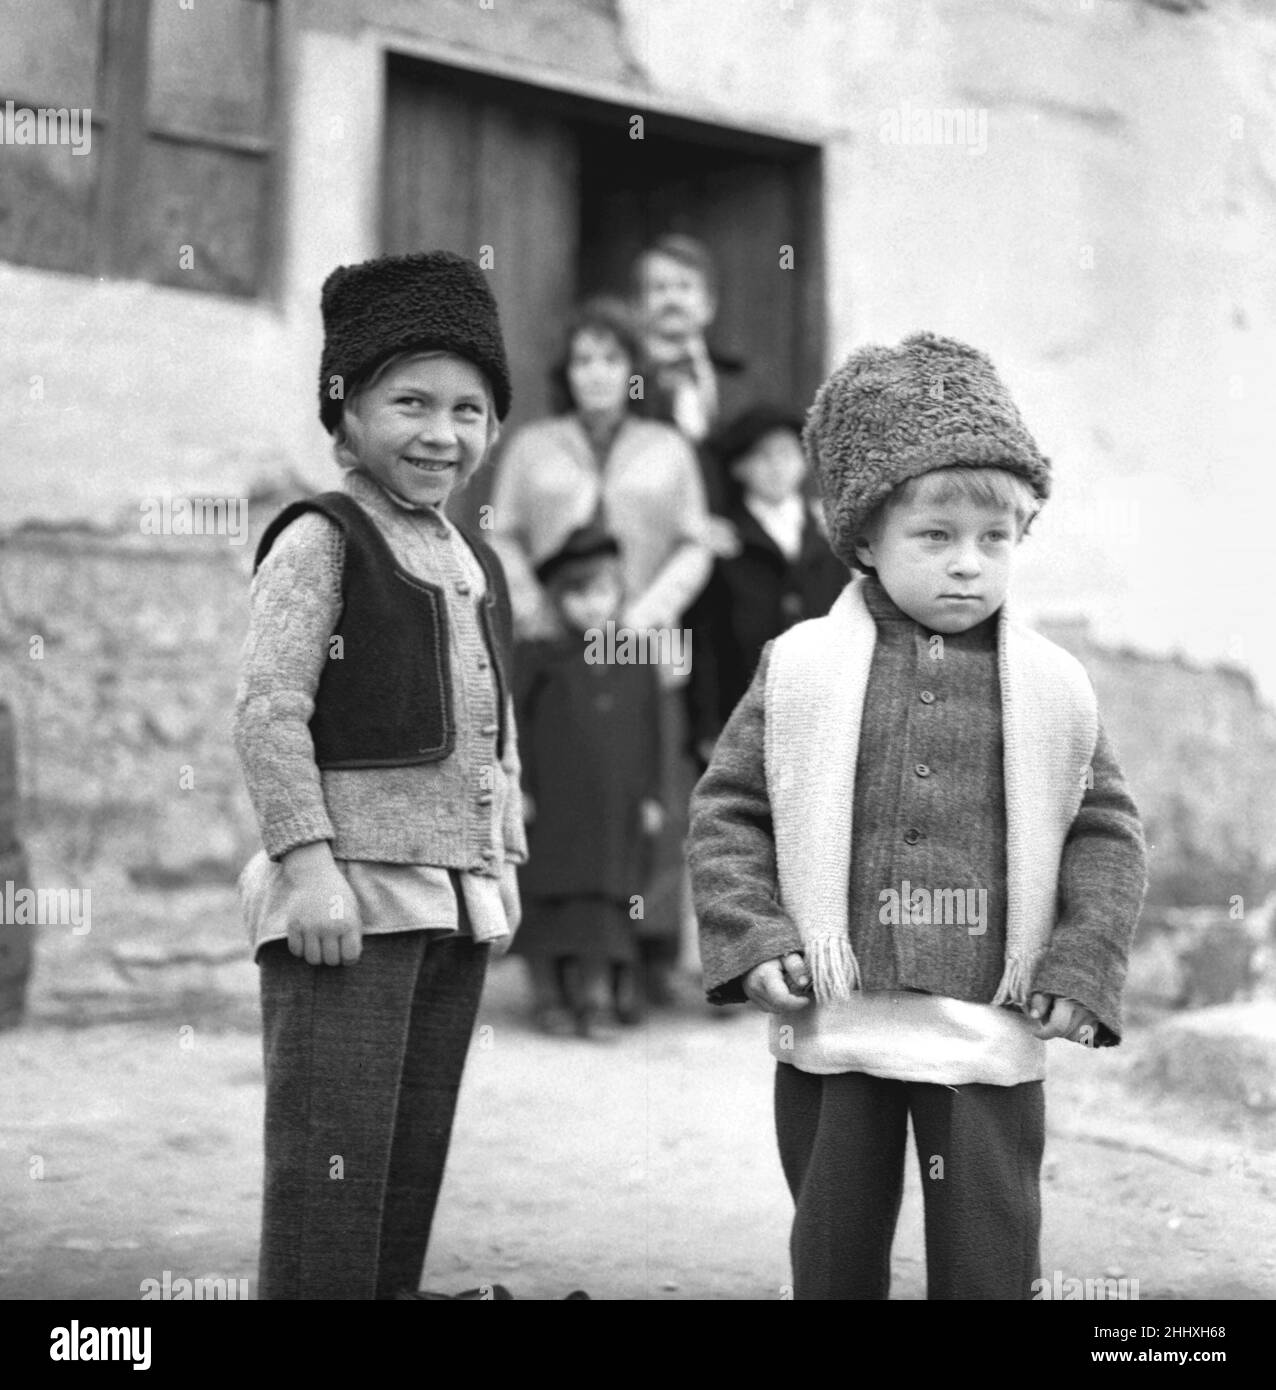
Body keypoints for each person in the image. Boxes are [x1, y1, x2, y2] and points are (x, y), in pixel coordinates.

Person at [688, 332, 1148, 1300]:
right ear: (861, 538)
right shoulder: (802, 668)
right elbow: (729, 808)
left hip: (987, 1019)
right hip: (837, 1015)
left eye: (995, 539)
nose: (967, 567)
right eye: (933, 537)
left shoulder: (1054, 690)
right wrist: (751, 930)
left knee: (988, 1256)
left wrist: (1080, 960)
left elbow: (1104, 830)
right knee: (834, 1249)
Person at [233, 250, 526, 1300]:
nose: (441, 433)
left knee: (408, 1160)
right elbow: (270, 713)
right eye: (408, 401)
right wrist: (309, 867)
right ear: (345, 410)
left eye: (470, 409)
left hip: (449, 901)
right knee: (332, 1166)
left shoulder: (468, 556)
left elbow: (491, 717)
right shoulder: (323, 539)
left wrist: (502, 854)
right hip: (347, 899)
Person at [489, 297, 711, 1008]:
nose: (596, 373)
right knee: (557, 805)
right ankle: (554, 962)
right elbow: (502, 532)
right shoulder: (533, 446)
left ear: (633, 371)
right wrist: (536, 608)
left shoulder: (666, 449)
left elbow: (696, 542)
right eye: (583, 359)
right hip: (556, 655)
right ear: (567, 371)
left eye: (611, 359)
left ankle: (638, 961)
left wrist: (647, 614)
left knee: (648, 799)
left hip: (644, 648)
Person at [512, 523, 664, 1039]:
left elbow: (651, 730)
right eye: (578, 595)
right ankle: (551, 993)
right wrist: (521, 787)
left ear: (619, 595)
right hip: (554, 800)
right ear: (559, 599)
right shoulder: (538, 655)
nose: (591, 606)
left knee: (606, 895)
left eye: (602, 592)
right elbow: (516, 727)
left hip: (614, 802)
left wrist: (651, 795)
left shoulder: (636, 655)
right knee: (551, 892)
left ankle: (597, 997)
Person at [684, 404, 846, 769]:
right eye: (762, 456)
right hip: (741, 706)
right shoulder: (723, 542)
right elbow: (702, 642)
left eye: (787, 454)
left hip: (816, 710)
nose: (776, 466)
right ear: (739, 467)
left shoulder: (825, 535)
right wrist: (706, 727)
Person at [631, 233, 756, 521]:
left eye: (685, 287)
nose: (672, 298)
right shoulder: (629, 382)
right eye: (659, 288)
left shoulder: (738, 381)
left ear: (708, 305)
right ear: (638, 306)